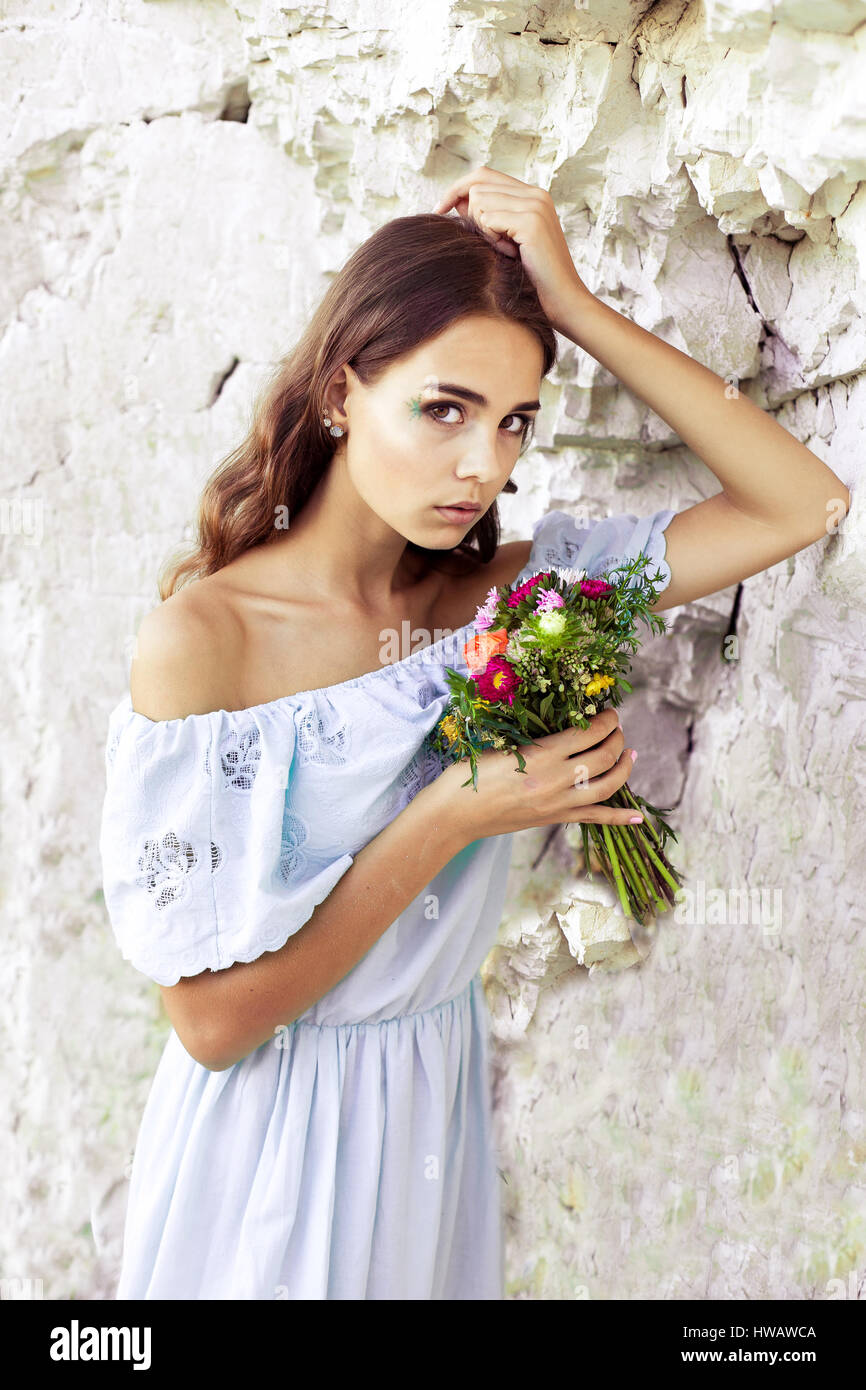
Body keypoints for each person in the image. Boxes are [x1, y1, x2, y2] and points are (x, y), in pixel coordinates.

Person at [99, 167, 850, 1300]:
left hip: (425, 1114)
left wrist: (579, 311)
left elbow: (798, 503)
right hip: (264, 1146)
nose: (480, 466)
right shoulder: (208, 637)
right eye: (441, 409)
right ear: (343, 392)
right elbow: (209, 1023)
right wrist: (458, 809)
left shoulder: (519, 598)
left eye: (513, 424)